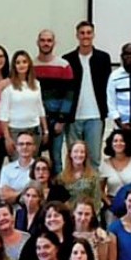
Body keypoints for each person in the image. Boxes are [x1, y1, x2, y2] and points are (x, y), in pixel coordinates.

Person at [63, 21, 113, 162]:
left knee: (94, 159)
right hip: (73, 117)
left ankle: (93, 185)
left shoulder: (103, 58)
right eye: (82, 33)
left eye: (88, 33)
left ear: (93, 35)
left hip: (95, 117)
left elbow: (107, 87)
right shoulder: (67, 59)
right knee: (74, 159)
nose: (85, 36)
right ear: (77, 35)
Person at [34, 28, 75, 171]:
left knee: (56, 158)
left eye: (49, 40)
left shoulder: (64, 66)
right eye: (43, 40)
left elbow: (69, 95)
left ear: (54, 43)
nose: (46, 43)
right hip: (36, 121)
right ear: (37, 42)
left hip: (56, 121)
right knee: (36, 159)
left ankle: (57, 192)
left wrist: (61, 120)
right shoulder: (31, 66)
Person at [0, 50, 47, 158]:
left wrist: (45, 130)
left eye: (24, 62)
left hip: (34, 130)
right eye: (18, 62)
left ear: (29, 64)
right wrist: (7, 138)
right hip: (15, 131)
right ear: (14, 66)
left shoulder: (36, 84)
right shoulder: (8, 86)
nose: (21, 65)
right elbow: (3, 114)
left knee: (34, 167)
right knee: (18, 164)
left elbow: (40, 108)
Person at [99, 129, 131, 206]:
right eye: (115, 141)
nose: (118, 143)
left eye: (122, 141)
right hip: (113, 202)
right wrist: (109, 203)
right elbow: (100, 190)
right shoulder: (105, 163)